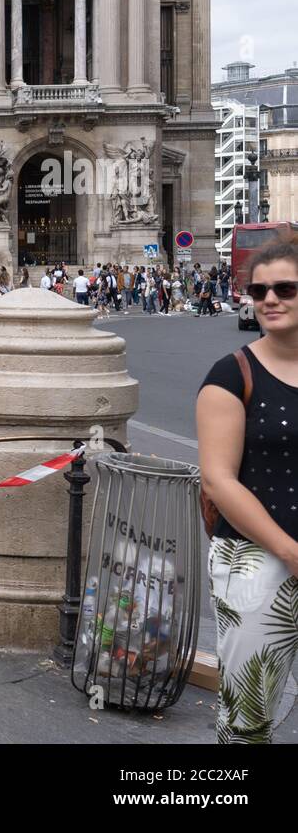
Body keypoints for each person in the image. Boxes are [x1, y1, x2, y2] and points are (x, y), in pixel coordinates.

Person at [197, 237, 298, 744]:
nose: (269, 299)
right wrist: (290, 552)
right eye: (259, 291)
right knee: (248, 722)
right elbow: (219, 479)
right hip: (257, 561)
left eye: (285, 288)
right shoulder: (230, 375)